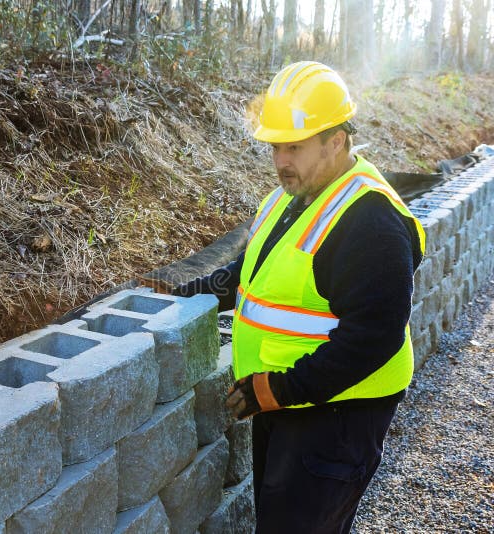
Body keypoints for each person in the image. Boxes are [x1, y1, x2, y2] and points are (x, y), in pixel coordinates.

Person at [173, 61, 425, 533]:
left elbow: (374, 337)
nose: (281, 161)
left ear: (337, 140)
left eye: (295, 147)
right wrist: (187, 295)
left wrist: (277, 390)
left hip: (337, 411)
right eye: (275, 147)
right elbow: (257, 274)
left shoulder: (370, 221)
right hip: (290, 401)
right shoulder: (296, 195)